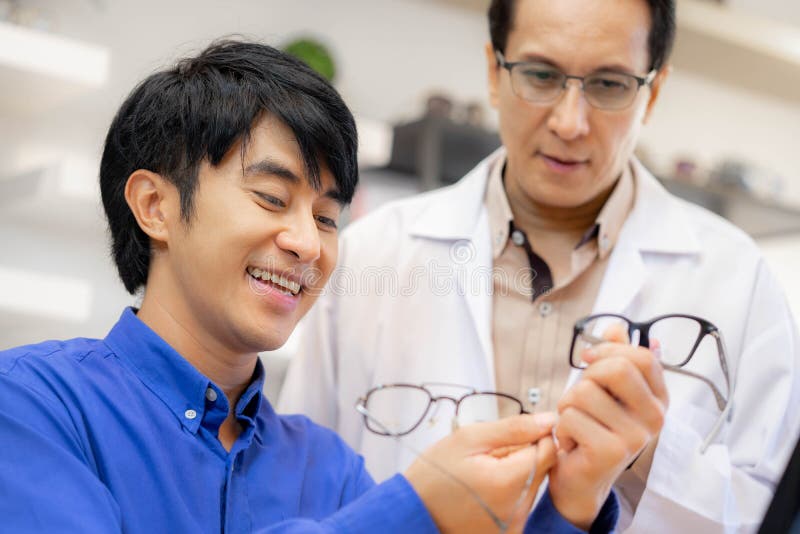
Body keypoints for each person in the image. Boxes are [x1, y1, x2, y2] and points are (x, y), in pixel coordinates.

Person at [0, 39, 667, 533]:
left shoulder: (329, 468)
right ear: (155, 206)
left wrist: (571, 504)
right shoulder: (34, 405)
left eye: (326, 217)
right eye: (270, 197)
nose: (308, 243)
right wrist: (415, 510)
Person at [279, 0, 800, 531]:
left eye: (609, 85)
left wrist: (653, 456)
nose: (570, 123)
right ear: (493, 71)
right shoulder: (375, 254)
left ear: (654, 92)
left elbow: (772, 512)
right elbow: (300, 486)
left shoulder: (739, 283)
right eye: (541, 75)